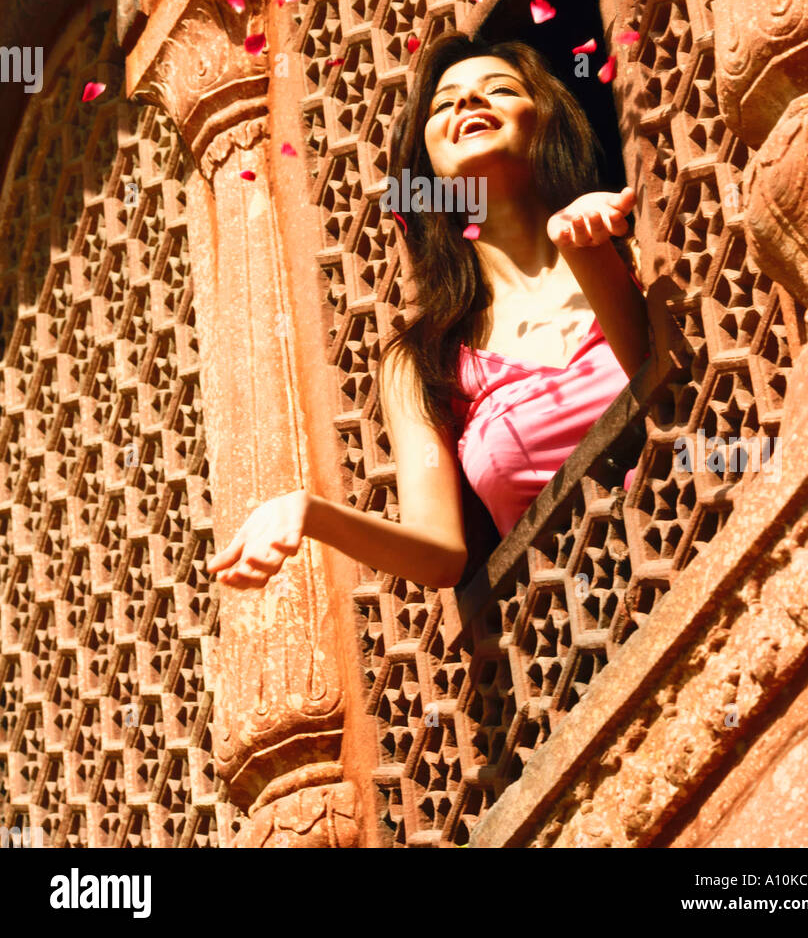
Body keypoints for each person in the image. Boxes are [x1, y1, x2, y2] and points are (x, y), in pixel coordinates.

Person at [207, 33, 650, 593]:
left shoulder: (630, 251)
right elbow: (440, 557)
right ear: (429, 172)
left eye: (500, 89)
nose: (467, 103)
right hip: (581, 620)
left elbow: (662, 385)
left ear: (547, 121)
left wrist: (590, 257)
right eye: (445, 103)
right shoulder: (423, 361)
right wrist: (312, 511)